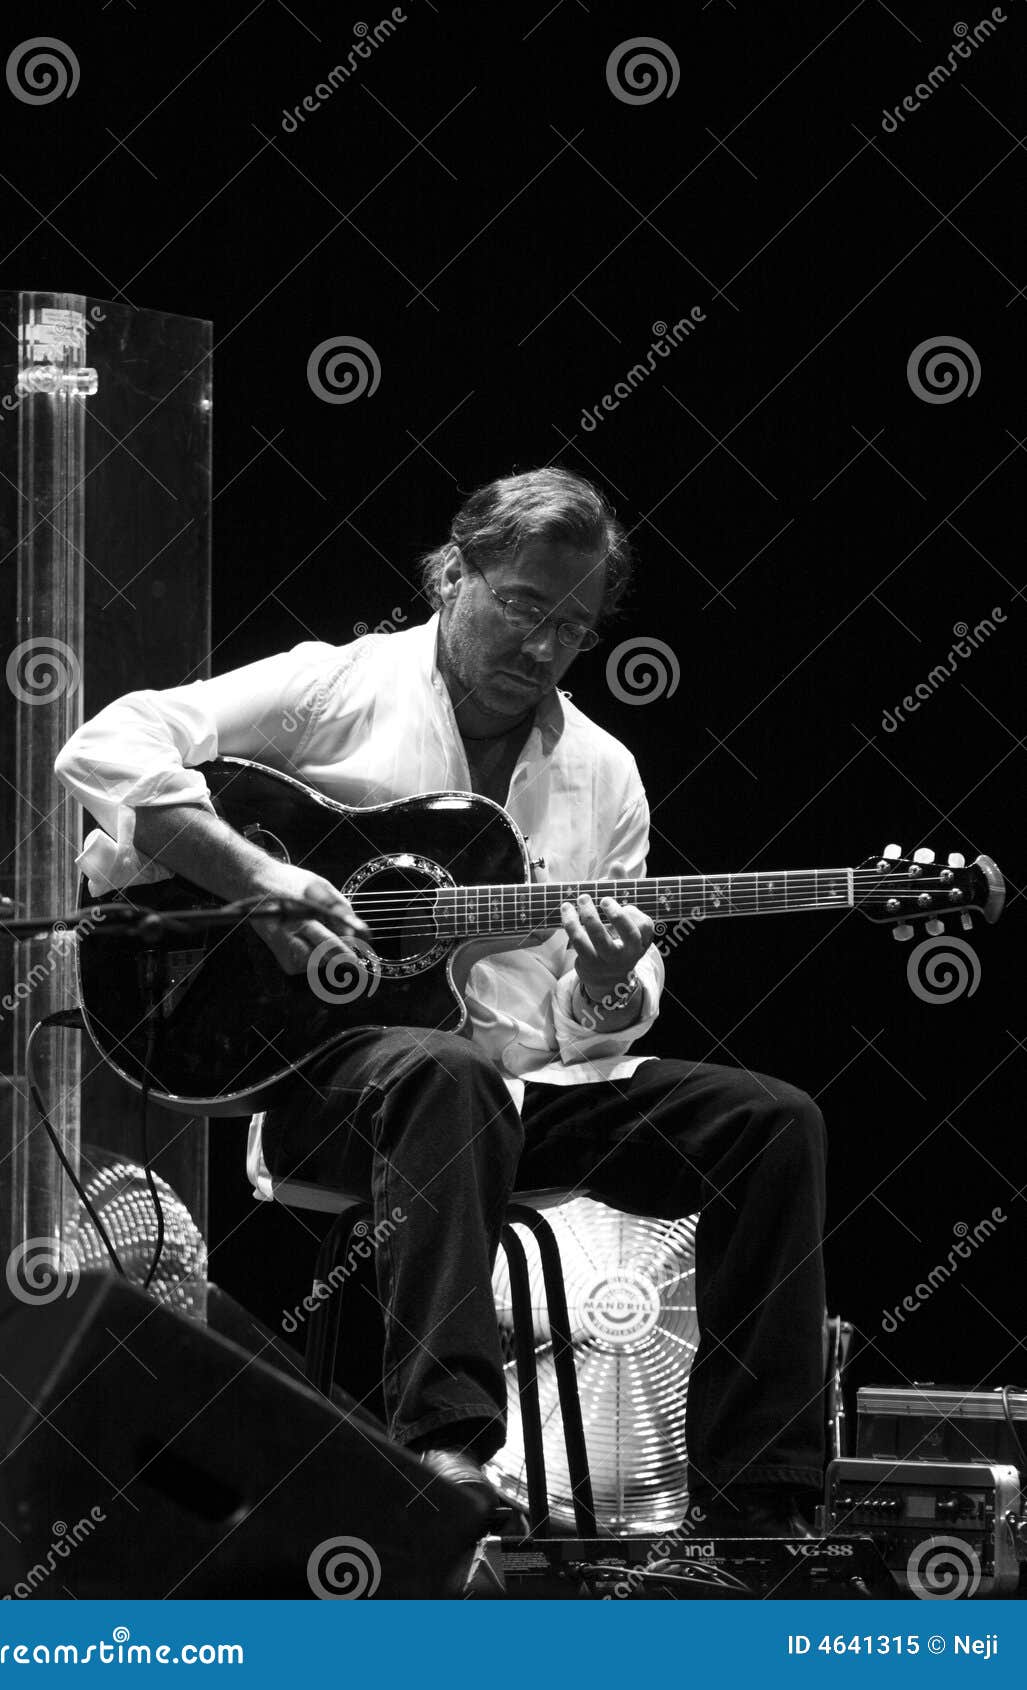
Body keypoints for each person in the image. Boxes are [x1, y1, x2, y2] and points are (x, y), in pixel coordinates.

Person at [54, 468, 828, 1538]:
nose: (544, 646)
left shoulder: (602, 770)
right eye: (521, 607)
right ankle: (448, 1459)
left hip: (516, 1091)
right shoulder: (338, 687)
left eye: (572, 625)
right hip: (335, 1092)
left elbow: (596, 1008)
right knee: (442, 1069)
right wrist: (257, 877)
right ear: (452, 573)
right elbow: (105, 744)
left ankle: (764, 1508)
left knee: (770, 1122)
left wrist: (606, 984)